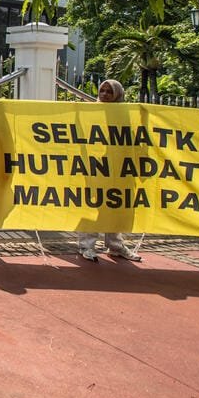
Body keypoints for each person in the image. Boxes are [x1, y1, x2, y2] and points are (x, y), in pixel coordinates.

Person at [78, 79, 143, 262]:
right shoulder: (90, 113)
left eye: (109, 92)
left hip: (119, 169)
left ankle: (115, 245)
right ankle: (86, 245)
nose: (104, 95)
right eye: (102, 91)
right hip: (96, 168)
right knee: (92, 207)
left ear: (118, 95)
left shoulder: (126, 115)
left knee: (116, 206)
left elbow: (134, 141)